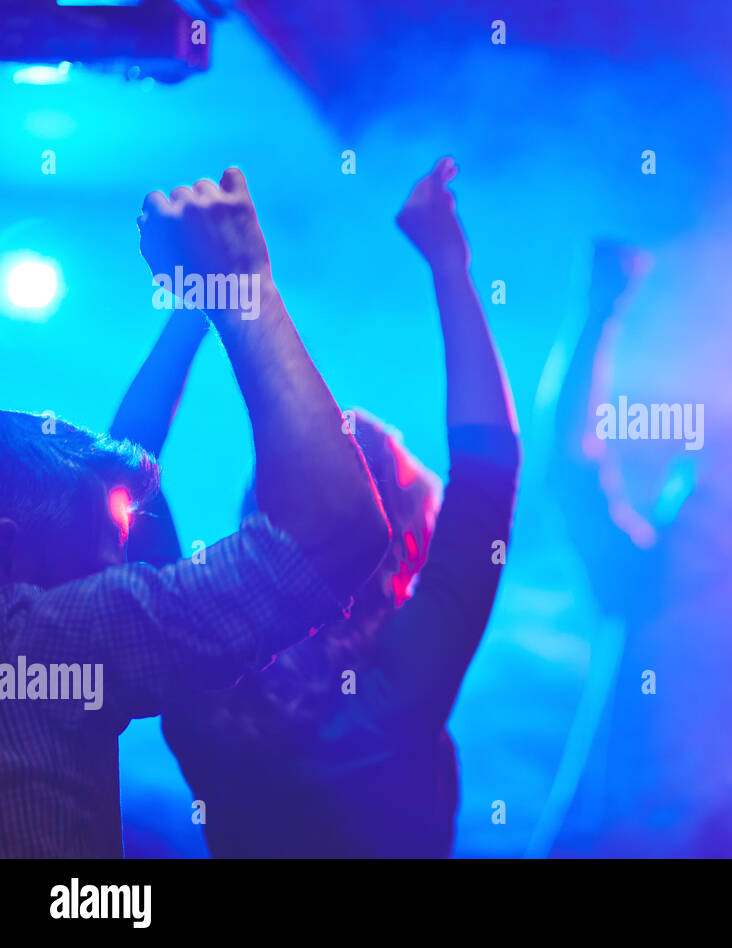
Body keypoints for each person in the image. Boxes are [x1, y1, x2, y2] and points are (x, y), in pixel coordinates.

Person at [115, 159, 521, 857]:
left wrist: (197, 305)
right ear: (415, 532)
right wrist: (449, 267)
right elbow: (488, 472)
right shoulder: (404, 683)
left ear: (259, 515)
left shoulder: (202, 660)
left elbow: (120, 472)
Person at [0, 167, 390, 857]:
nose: (130, 571)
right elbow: (333, 533)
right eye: (105, 563)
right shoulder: (43, 640)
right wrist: (241, 282)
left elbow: (129, 471)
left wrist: (194, 308)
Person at [546, 242, 732, 857]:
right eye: (697, 495)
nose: (709, 512)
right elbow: (569, 464)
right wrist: (597, 316)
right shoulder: (640, 583)